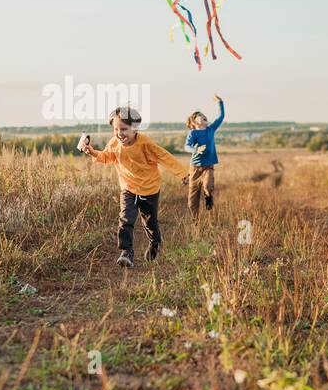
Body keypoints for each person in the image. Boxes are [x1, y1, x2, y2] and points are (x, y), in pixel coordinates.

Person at [81, 105, 189, 268]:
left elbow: (164, 157)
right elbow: (106, 157)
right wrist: (92, 152)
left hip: (149, 189)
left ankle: (155, 243)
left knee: (150, 223)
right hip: (128, 188)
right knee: (125, 220)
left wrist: (182, 173)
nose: (119, 133)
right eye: (116, 129)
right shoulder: (114, 142)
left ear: (135, 128)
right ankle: (126, 252)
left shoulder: (145, 144)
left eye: (123, 129)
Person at [184, 94, 224, 217]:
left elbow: (221, 117)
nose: (204, 117)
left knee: (207, 186)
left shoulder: (210, 129)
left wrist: (220, 102)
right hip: (195, 167)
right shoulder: (193, 133)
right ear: (194, 122)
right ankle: (194, 221)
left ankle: (208, 197)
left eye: (204, 116)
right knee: (193, 196)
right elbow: (187, 147)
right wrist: (196, 149)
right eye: (200, 116)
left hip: (208, 166)